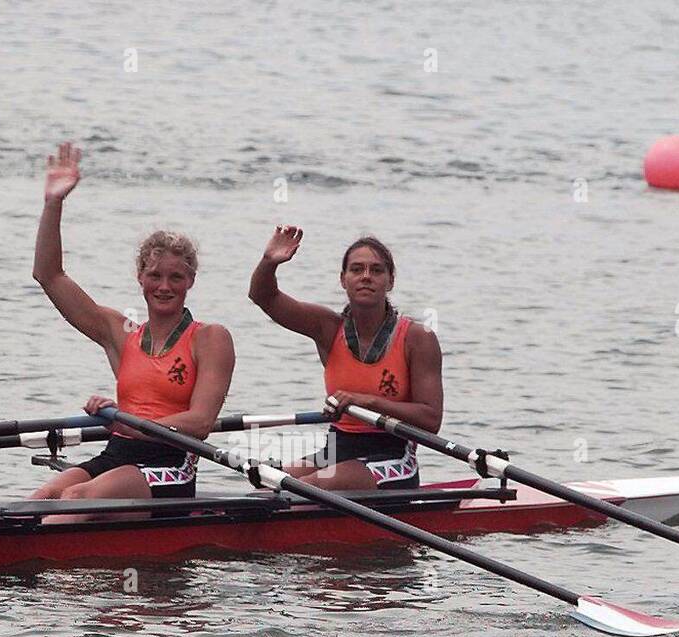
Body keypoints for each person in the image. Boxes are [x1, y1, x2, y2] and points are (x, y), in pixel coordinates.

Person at [30, 143, 234, 513]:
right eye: (155, 275)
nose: (164, 286)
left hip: (171, 465)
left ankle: (47, 565)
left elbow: (201, 422)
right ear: (140, 278)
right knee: (40, 500)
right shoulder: (120, 333)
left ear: (191, 280)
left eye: (176, 277)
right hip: (118, 453)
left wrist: (128, 419)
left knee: (76, 498)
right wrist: (53, 203)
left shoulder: (209, 338)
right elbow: (49, 275)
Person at [248, 226, 443, 489]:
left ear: (390, 281)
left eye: (376, 270)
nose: (366, 276)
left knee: (311, 487)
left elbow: (431, 420)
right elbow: (263, 297)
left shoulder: (417, 338)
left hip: (393, 456)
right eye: (356, 269)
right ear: (343, 279)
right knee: (270, 480)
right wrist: (269, 262)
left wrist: (369, 402)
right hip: (337, 449)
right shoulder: (326, 328)